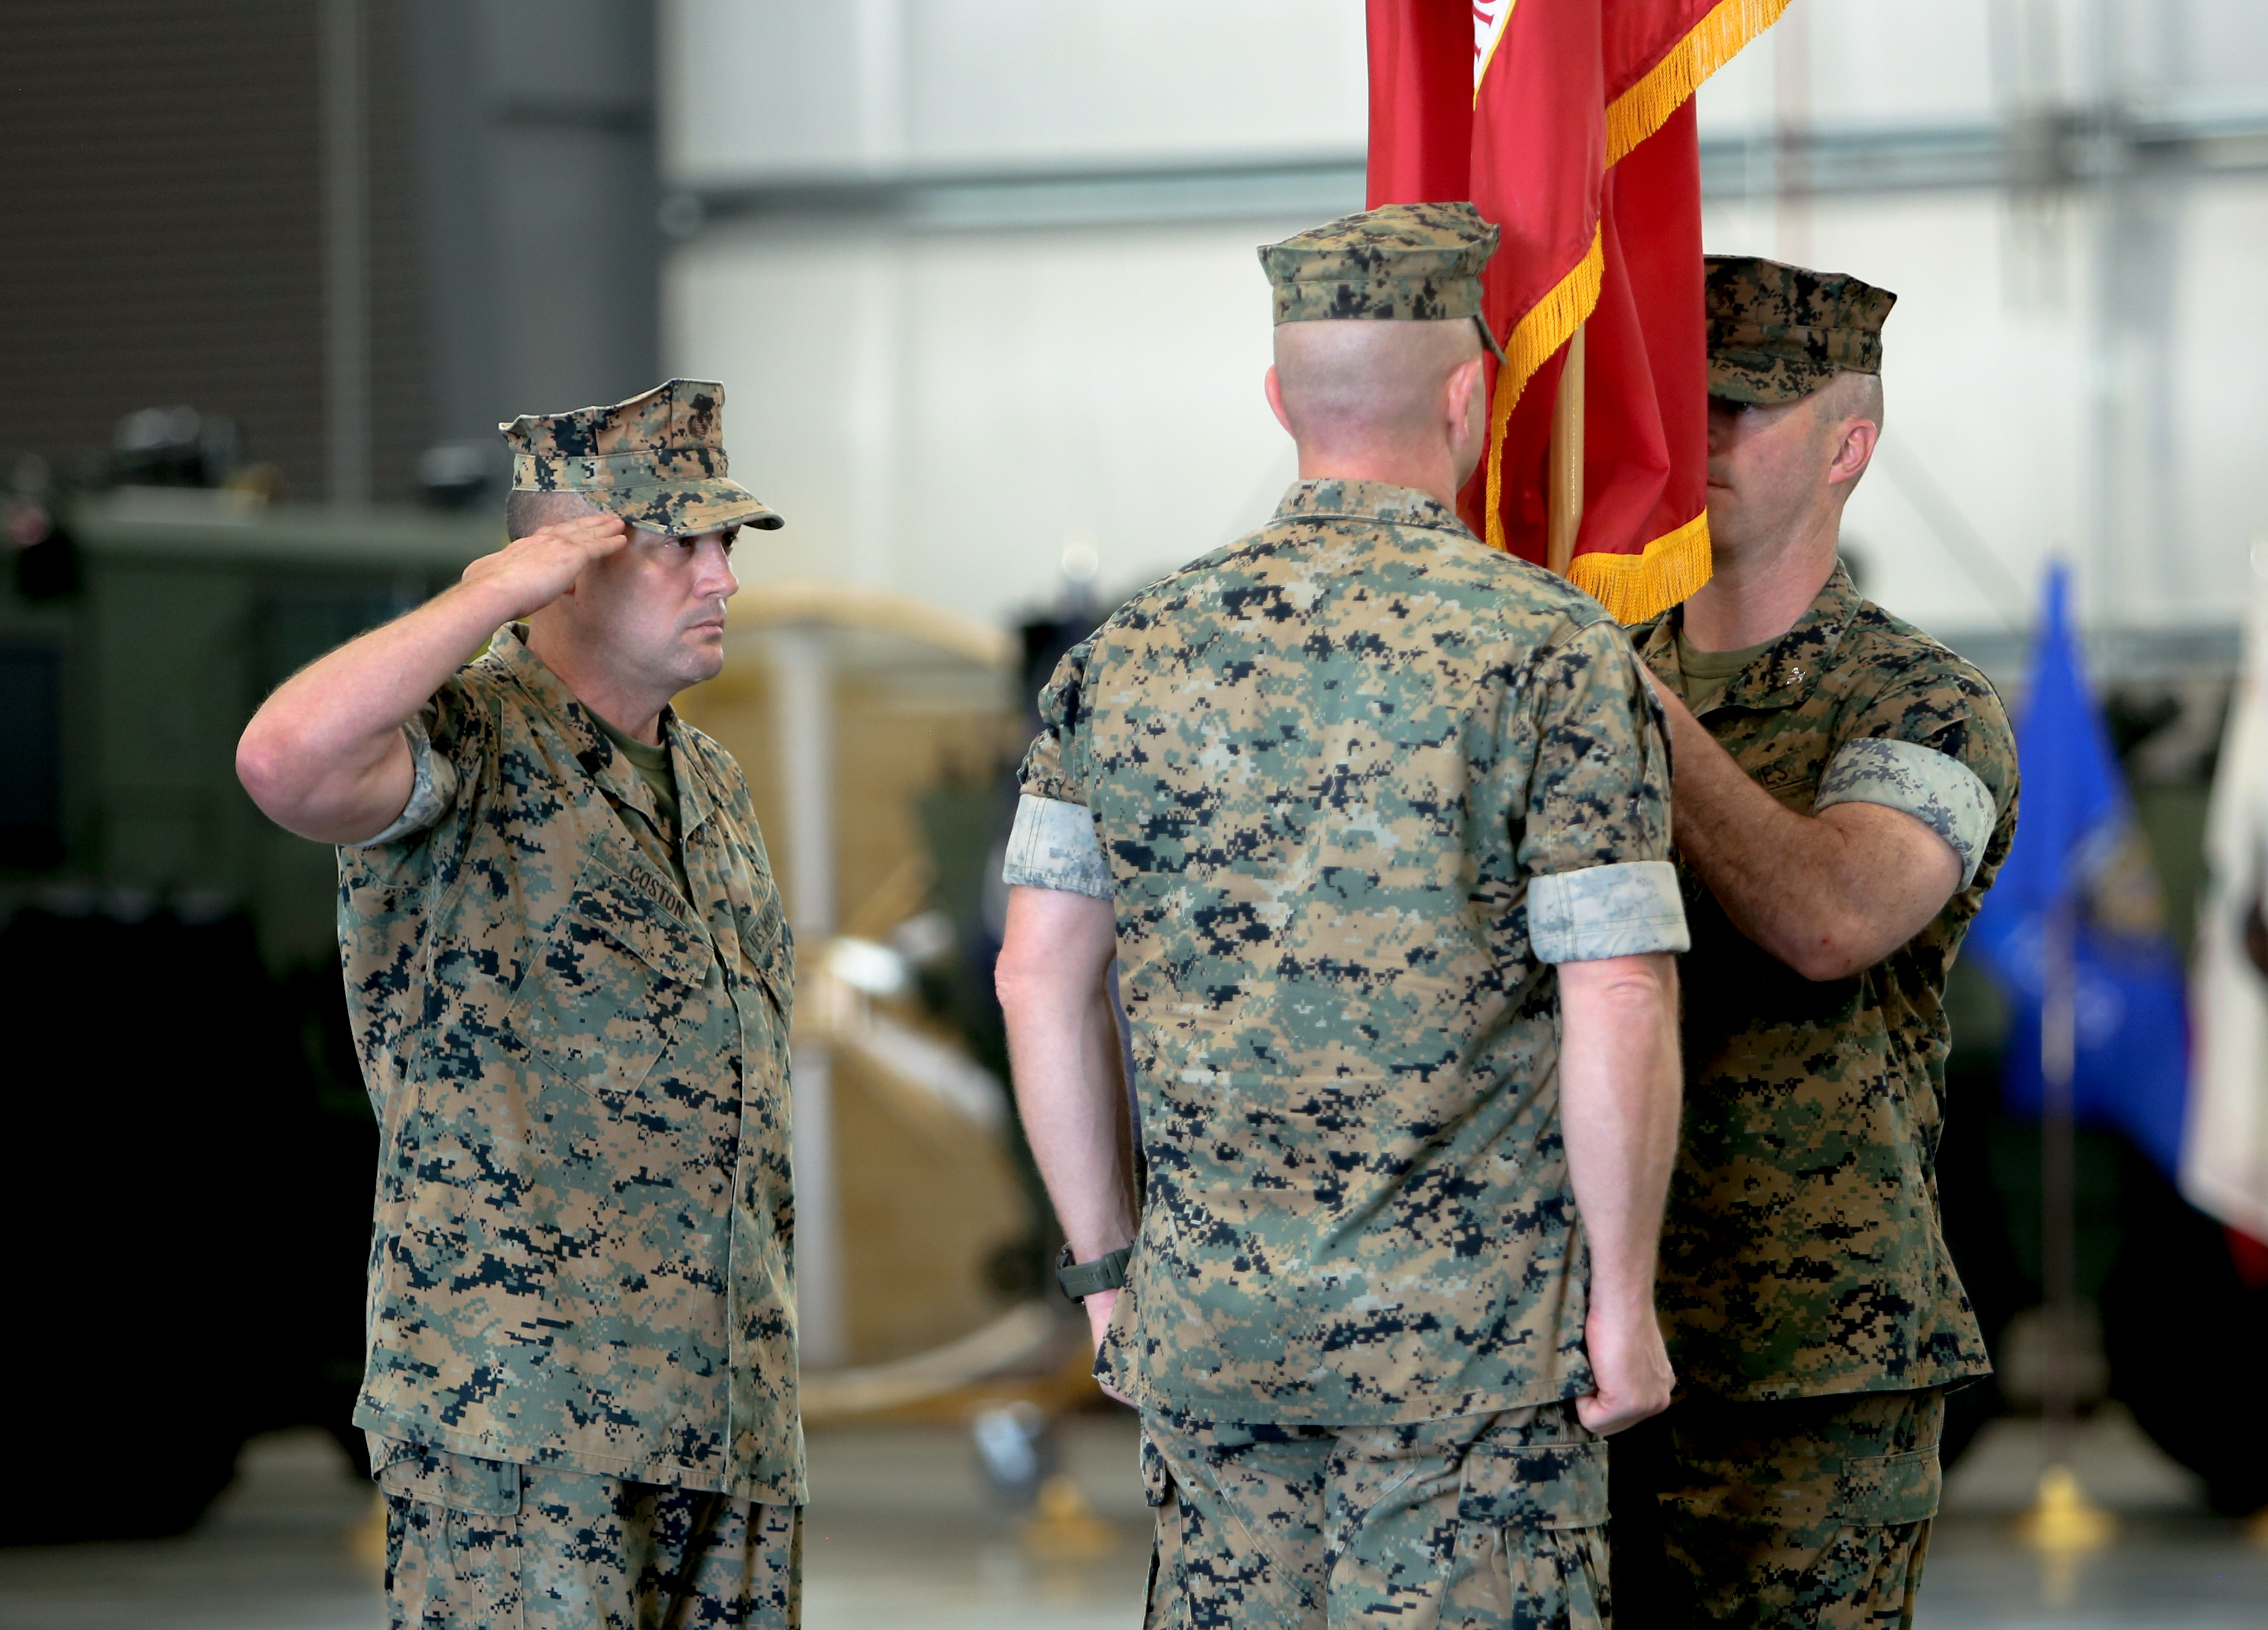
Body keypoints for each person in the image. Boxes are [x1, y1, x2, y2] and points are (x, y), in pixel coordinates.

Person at [994, 203, 1687, 1628]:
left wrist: (1111, 1280)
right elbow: (1617, 992)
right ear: (1468, 393)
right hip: (1475, 1362)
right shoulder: (1551, 651)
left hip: (1213, 1343)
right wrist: (1622, 1303)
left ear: (1279, 401)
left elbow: (1034, 981)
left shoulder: (1118, 661)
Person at [236, 380, 804, 1628]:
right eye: (678, 546)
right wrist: (489, 592)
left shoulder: (706, 778)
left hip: (727, 1416)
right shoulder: (466, 742)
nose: (722, 580)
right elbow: (281, 760)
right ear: (563, 566)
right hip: (526, 1423)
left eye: (725, 547)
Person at [1608, 259, 2021, 1628]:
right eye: (1687, 405)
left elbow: (1832, 920)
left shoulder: (1926, 706)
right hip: (1575, 1333)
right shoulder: (1584, 670)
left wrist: (1644, 719)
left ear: (1850, 445)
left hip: (1805, 1362)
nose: (1701, 440)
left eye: (1745, 411)